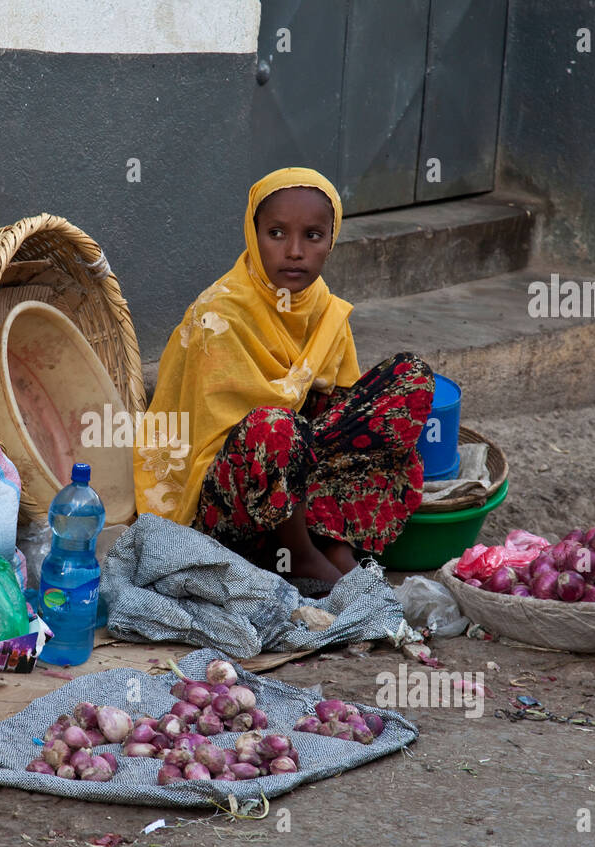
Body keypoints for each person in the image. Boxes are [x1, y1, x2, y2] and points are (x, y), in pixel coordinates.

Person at [133, 167, 434, 589]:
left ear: (332, 240)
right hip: (230, 500)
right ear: (252, 235)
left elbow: (339, 410)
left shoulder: (324, 307)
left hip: (302, 478)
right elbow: (211, 438)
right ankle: (296, 554)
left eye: (313, 236)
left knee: (410, 379)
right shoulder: (217, 316)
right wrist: (289, 431)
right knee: (274, 427)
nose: (294, 251)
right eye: (276, 234)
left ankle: (333, 538)